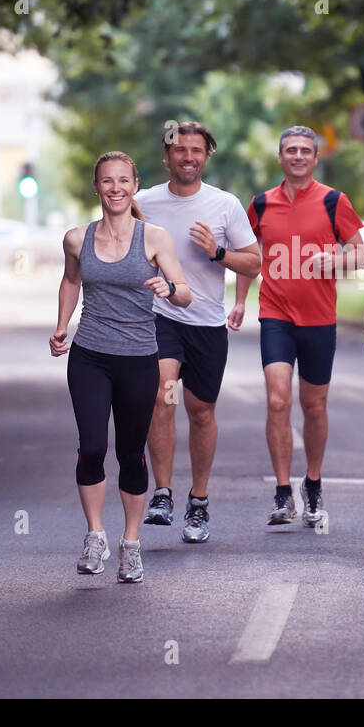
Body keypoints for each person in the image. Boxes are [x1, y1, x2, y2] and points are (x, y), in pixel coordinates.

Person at [50, 151, 191, 583]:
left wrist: (168, 289)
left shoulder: (155, 238)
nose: (115, 188)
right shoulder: (77, 238)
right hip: (90, 355)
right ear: (97, 187)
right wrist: (61, 327)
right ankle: (95, 535)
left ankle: (131, 544)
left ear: (134, 185)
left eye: (123, 181)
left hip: (138, 359)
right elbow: (72, 279)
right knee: (92, 447)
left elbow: (185, 292)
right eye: (107, 181)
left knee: (131, 453)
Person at [233, 125, 364, 527]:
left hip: (320, 320)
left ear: (315, 157)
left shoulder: (333, 201)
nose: (297, 156)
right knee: (277, 401)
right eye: (290, 150)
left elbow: (361, 255)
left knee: (314, 405)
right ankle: (281, 492)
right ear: (280, 157)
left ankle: (312, 482)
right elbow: (247, 258)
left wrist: (336, 261)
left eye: (305, 150)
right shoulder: (259, 204)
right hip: (275, 314)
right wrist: (240, 301)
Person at [133, 122, 262, 543]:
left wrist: (218, 253)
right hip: (160, 315)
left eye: (197, 150)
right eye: (180, 150)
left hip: (206, 322)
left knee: (201, 411)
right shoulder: (144, 202)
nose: (188, 157)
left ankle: (199, 500)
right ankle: (163, 493)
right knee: (161, 395)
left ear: (207, 156)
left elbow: (254, 262)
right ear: (166, 156)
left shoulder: (224, 205)